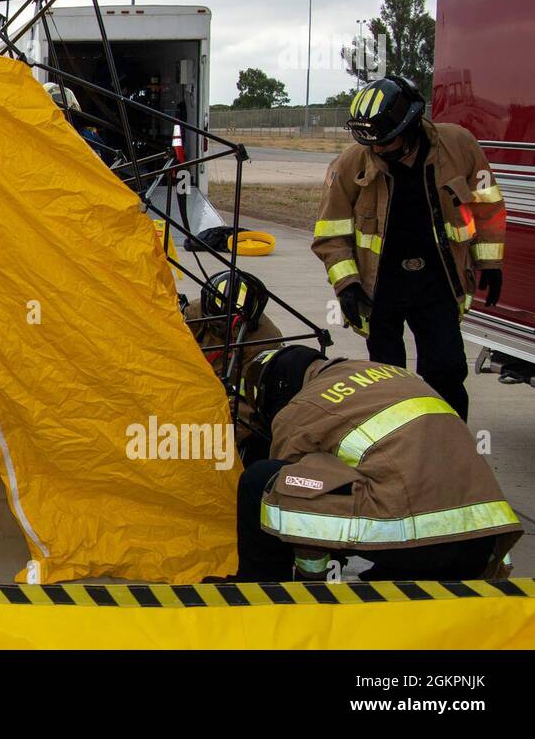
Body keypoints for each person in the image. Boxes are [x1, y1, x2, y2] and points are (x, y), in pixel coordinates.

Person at [230, 345, 521, 583]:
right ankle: (397, 575)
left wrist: (312, 580)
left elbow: (293, 503)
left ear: (278, 390)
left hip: (416, 543)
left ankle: (261, 590)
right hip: (482, 544)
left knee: (262, 481)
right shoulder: (391, 374)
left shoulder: (301, 408)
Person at [312, 76, 505, 419]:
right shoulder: (350, 164)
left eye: (387, 141)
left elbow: (486, 203)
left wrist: (489, 260)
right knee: (388, 381)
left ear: (412, 123)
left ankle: (450, 448)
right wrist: (348, 286)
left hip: (438, 283)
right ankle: (398, 451)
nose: (380, 150)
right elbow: (330, 234)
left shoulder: (458, 146)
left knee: (446, 370)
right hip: (380, 289)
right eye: (373, 144)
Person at [182, 270, 281, 465]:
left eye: (228, 326)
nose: (221, 330)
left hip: (232, 400)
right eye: (216, 324)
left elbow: (251, 399)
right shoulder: (193, 314)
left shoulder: (265, 340)